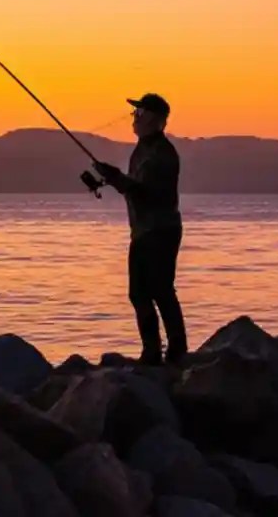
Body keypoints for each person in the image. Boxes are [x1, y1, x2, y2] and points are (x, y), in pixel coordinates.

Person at [93, 93, 187, 365]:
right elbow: (134, 187)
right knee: (140, 293)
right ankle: (154, 351)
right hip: (144, 231)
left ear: (155, 120)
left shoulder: (163, 154)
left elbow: (146, 193)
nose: (134, 118)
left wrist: (116, 178)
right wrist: (114, 177)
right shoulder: (143, 149)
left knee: (160, 290)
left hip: (160, 231)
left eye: (139, 113)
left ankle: (173, 351)